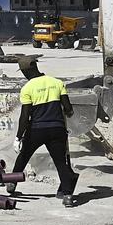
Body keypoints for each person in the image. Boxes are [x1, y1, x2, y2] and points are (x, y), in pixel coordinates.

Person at [12, 56, 79, 207]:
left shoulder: (27, 88)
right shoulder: (57, 82)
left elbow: (24, 116)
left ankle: (11, 184)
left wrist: (18, 137)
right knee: (61, 163)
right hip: (57, 129)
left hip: (36, 130)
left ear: (25, 71)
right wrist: (68, 113)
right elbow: (68, 109)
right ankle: (68, 196)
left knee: (23, 156)